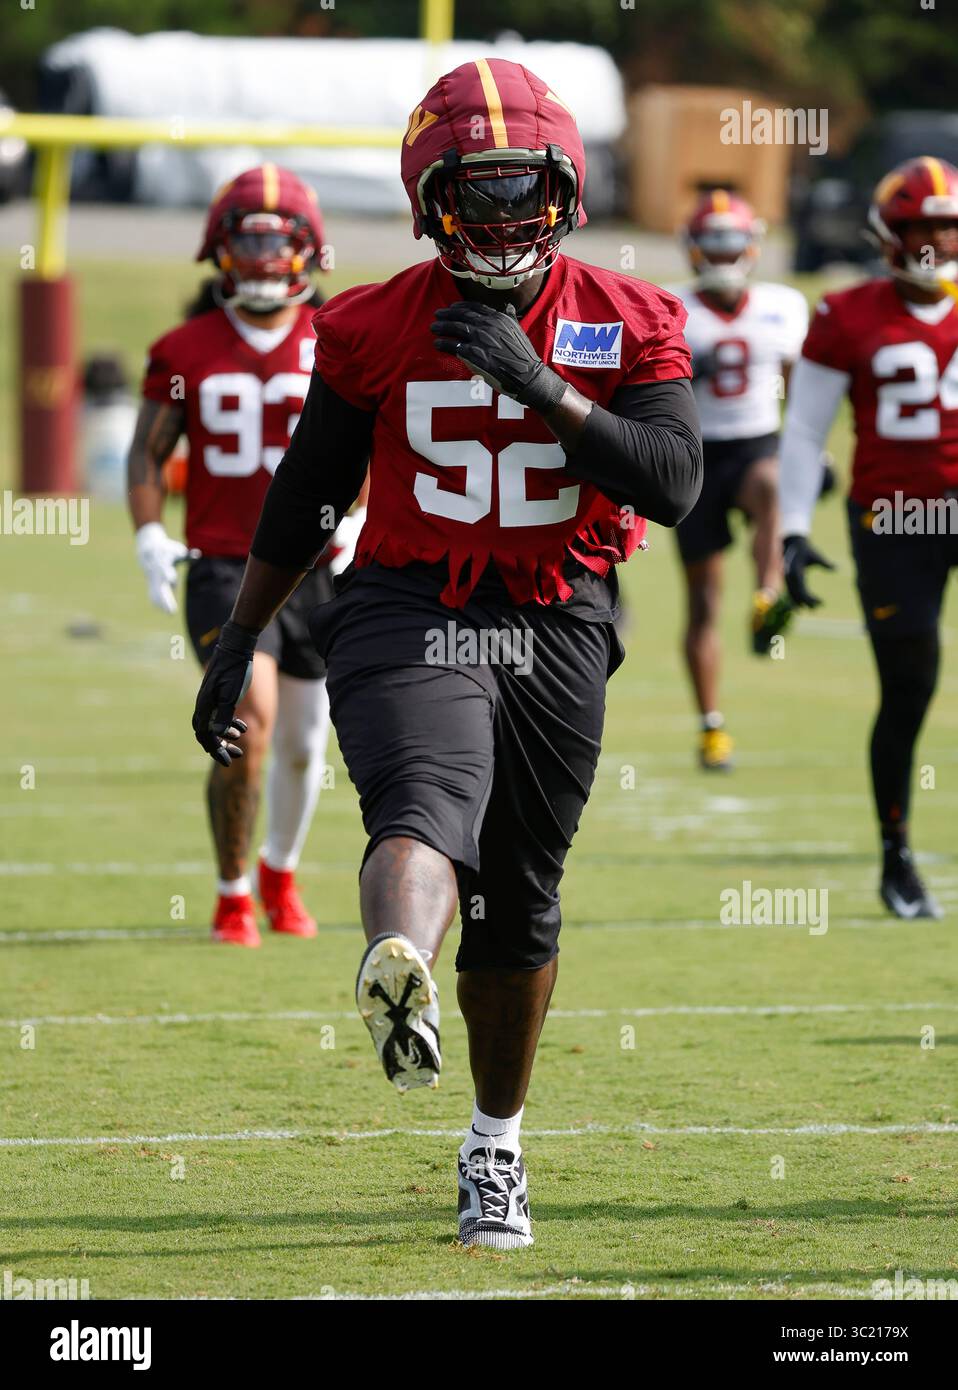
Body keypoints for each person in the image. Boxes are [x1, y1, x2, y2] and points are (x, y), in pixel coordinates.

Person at [191, 60, 702, 1247]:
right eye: (480, 190)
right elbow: (309, 493)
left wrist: (544, 392)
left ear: (566, 188)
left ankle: (492, 1147)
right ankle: (399, 960)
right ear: (432, 198)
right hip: (410, 599)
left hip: (558, 612)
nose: (507, 214)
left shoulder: (626, 315)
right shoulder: (372, 322)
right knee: (423, 800)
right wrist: (239, 635)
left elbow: (673, 483)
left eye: (526, 187)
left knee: (521, 898)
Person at [129, 165, 361, 947]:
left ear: (308, 251)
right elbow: (146, 453)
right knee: (248, 720)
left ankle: (279, 873)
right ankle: (231, 891)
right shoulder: (185, 348)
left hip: (321, 568)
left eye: (278, 240)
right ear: (219, 250)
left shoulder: (342, 337)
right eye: (249, 240)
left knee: (304, 743)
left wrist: (364, 516)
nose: (263, 257)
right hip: (229, 565)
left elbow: (374, 446)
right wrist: (148, 530)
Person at [780, 156, 958, 919]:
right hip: (892, 522)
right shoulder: (845, 314)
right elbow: (804, 431)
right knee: (910, 684)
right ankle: (896, 853)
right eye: (919, 229)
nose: (933, 245)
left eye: (945, 230)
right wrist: (789, 529)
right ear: (889, 235)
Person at [670, 191, 809, 770]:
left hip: (755, 442)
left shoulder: (783, 305)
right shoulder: (674, 307)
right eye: (713, 241)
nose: (723, 253)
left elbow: (799, 382)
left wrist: (807, 451)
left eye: (732, 241)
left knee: (773, 485)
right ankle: (711, 726)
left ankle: (769, 592)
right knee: (702, 602)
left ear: (753, 245)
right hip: (695, 454)